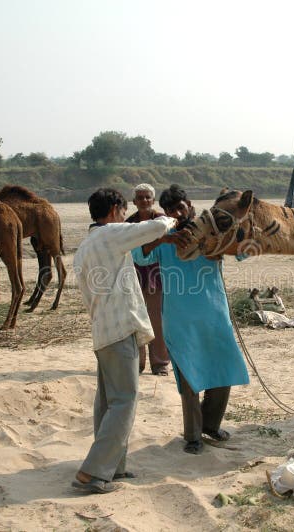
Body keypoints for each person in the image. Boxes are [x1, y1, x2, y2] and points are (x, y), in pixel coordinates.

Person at [72, 187, 178, 494]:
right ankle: (93, 472)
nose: (122, 215)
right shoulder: (111, 233)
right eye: (121, 210)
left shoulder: (84, 247)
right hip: (120, 329)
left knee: (107, 402)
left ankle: (112, 467)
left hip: (102, 332)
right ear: (114, 210)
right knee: (125, 400)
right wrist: (171, 219)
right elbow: (155, 227)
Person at [132, 184, 250, 454]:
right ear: (167, 213)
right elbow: (138, 254)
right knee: (188, 378)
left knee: (222, 370)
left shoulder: (212, 231)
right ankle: (193, 436)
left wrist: (236, 232)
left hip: (215, 314)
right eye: (171, 209)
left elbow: (244, 251)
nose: (177, 212)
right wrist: (163, 239)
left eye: (180, 206)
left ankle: (211, 425)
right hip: (180, 319)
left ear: (190, 206)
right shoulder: (165, 237)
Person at [125, 183, 170, 376]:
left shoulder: (163, 221)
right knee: (136, 319)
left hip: (158, 273)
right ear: (134, 202)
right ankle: (138, 364)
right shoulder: (129, 224)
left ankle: (159, 363)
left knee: (157, 319)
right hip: (134, 274)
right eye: (140, 198)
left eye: (147, 197)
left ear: (153, 200)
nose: (144, 201)